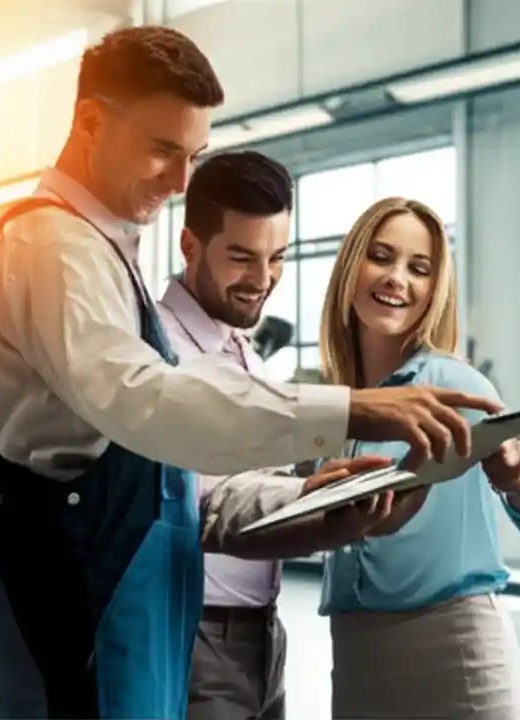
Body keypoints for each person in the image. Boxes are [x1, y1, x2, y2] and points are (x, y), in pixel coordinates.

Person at [0, 25, 501, 720]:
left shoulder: (102, 250)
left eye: (193, 156)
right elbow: (142, 401)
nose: (181, 181)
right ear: (91, 123)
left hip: (128, 600)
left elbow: (189, 491)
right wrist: (351, 408)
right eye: (163, 149)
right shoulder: (52, 246)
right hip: (79, 599)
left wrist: (313, 506)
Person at [314, 196, 520, 719]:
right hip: (357, 654)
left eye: (419, 268)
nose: (397, 279)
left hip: (457, 651)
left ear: (435, 290)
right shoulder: (333, 405)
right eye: (380, 257)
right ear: (350, 266)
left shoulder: (454, 385)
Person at [161, 151, 390, 720]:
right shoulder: (159, 354)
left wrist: (319, 487)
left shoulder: (243, 351)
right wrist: (308, 501)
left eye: (278, 257)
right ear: (189, 246)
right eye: (241, 257)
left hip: (262, 632)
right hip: (195, 633)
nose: (262, 280)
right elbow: (205, 503)